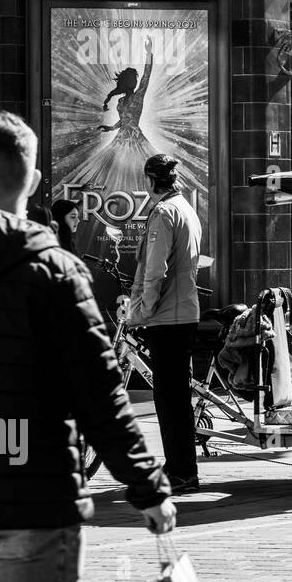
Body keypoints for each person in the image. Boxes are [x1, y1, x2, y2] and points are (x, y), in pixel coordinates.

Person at [0, 112, 174, 582]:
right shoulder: (52, 271)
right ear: (34, 180)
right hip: (32, 497)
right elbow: (99, 392)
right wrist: (147, 486)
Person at [128, 153, 203, 494]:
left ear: (149, 181)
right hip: (185, 312)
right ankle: (181, 468)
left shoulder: (163, 213)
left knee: (169, 400)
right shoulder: (187, 209)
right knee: (178, 397)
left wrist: (141, 312)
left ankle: (182, 473)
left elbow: (155, 271)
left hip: (166, 317)